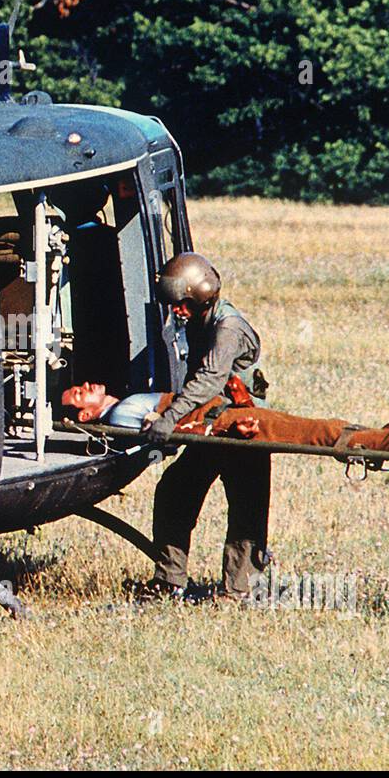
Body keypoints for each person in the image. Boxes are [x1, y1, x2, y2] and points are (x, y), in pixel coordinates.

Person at [131, 252, 271, 601]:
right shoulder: (199, 321)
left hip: (244, 429)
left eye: (181, 304)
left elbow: (208, 380)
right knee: (175, 492)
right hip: (213, 426)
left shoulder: (228, 328)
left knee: (246, 511)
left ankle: (239, 592)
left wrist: (169, 418)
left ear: (200, 297)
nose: (176, 312)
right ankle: (169, 581)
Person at [61, 382, 389, 457]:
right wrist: (229, 426)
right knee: (316, 432)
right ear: (86, 414)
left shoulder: (125, 401)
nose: (86, 385)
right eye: (80, 394)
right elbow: (170, 433)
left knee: (318, 428)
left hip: (229, 412)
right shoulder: (123, 413)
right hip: (228, 422)